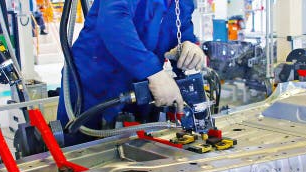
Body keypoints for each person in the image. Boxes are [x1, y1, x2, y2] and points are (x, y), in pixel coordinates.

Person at [57, 0, 206, 144]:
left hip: (139, 85)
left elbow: (180, 28)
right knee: (80, 151)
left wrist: (189, 47)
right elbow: (113, 20)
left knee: (135, 150)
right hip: (93, 82)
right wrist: (153, 72)